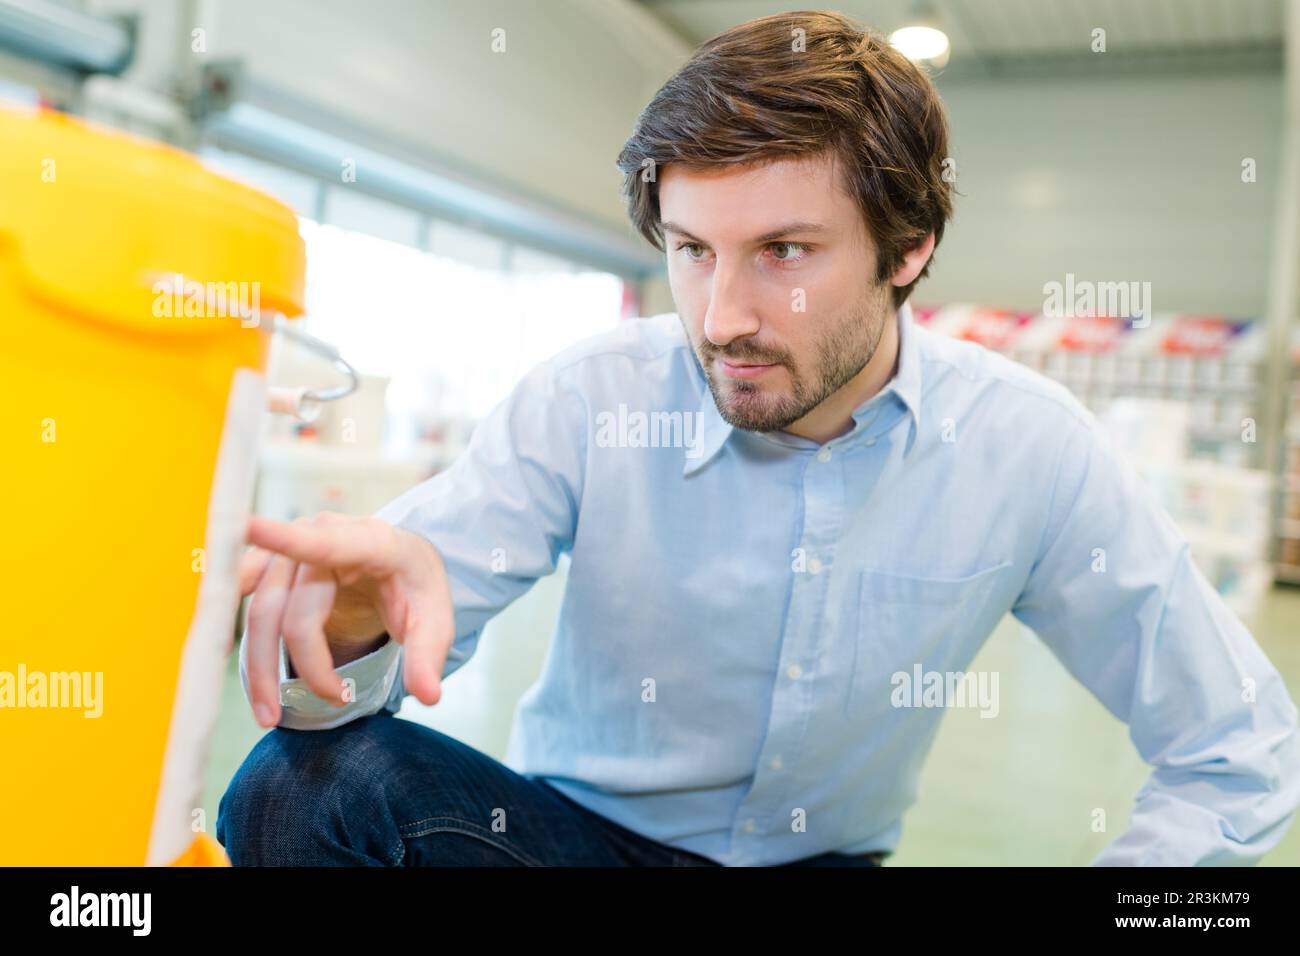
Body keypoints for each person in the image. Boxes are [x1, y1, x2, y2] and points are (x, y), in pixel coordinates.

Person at [217, 10, 1300, 867]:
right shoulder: (592, 398)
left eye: (783, 249)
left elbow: (1240, 747)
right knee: (296, 787)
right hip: (567, 842)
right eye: (691, 248)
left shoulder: (1030, 450)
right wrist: (358, 627)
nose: (721, 314)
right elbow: (336, 691)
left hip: (820, 860)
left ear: (908, 248)